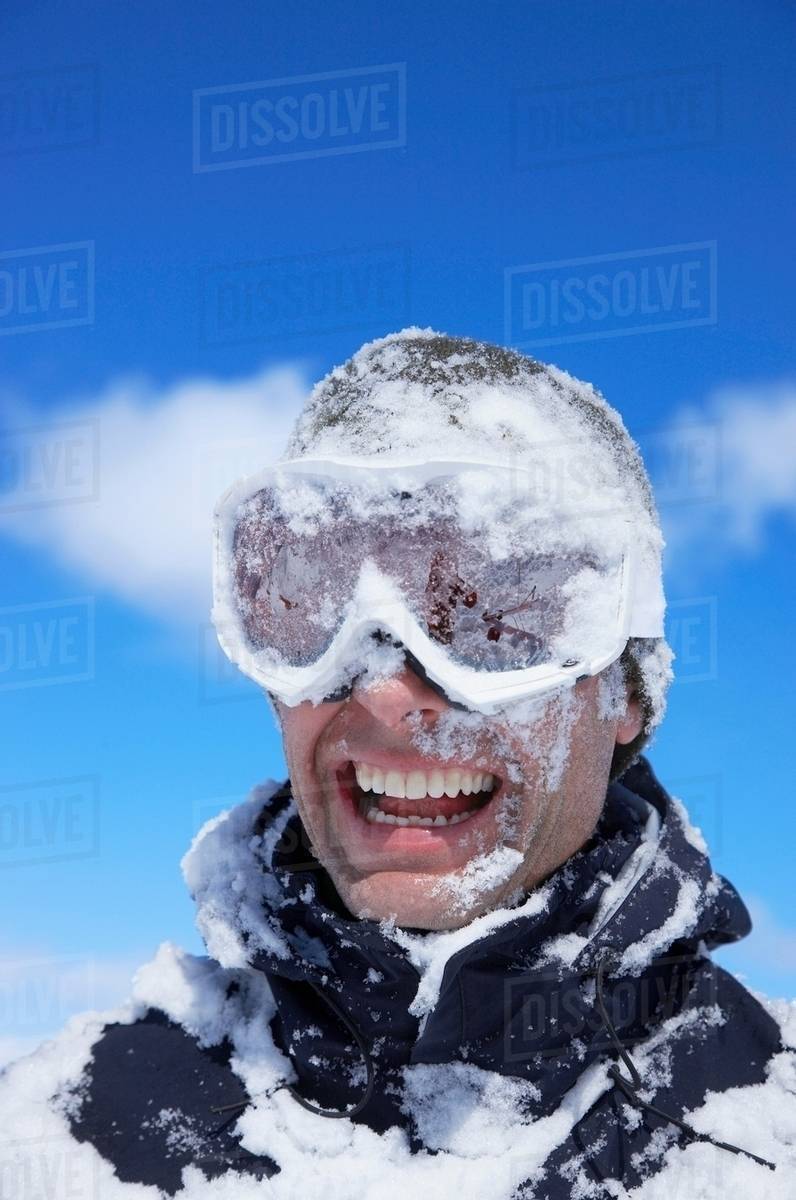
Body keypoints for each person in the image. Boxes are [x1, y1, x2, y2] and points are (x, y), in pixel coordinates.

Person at [2, 330, 794, 1199]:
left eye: (494, 614)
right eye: (314, 606)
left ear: (625, 698)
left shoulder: (763, 1137)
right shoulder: (64, 1136)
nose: (384, 692)